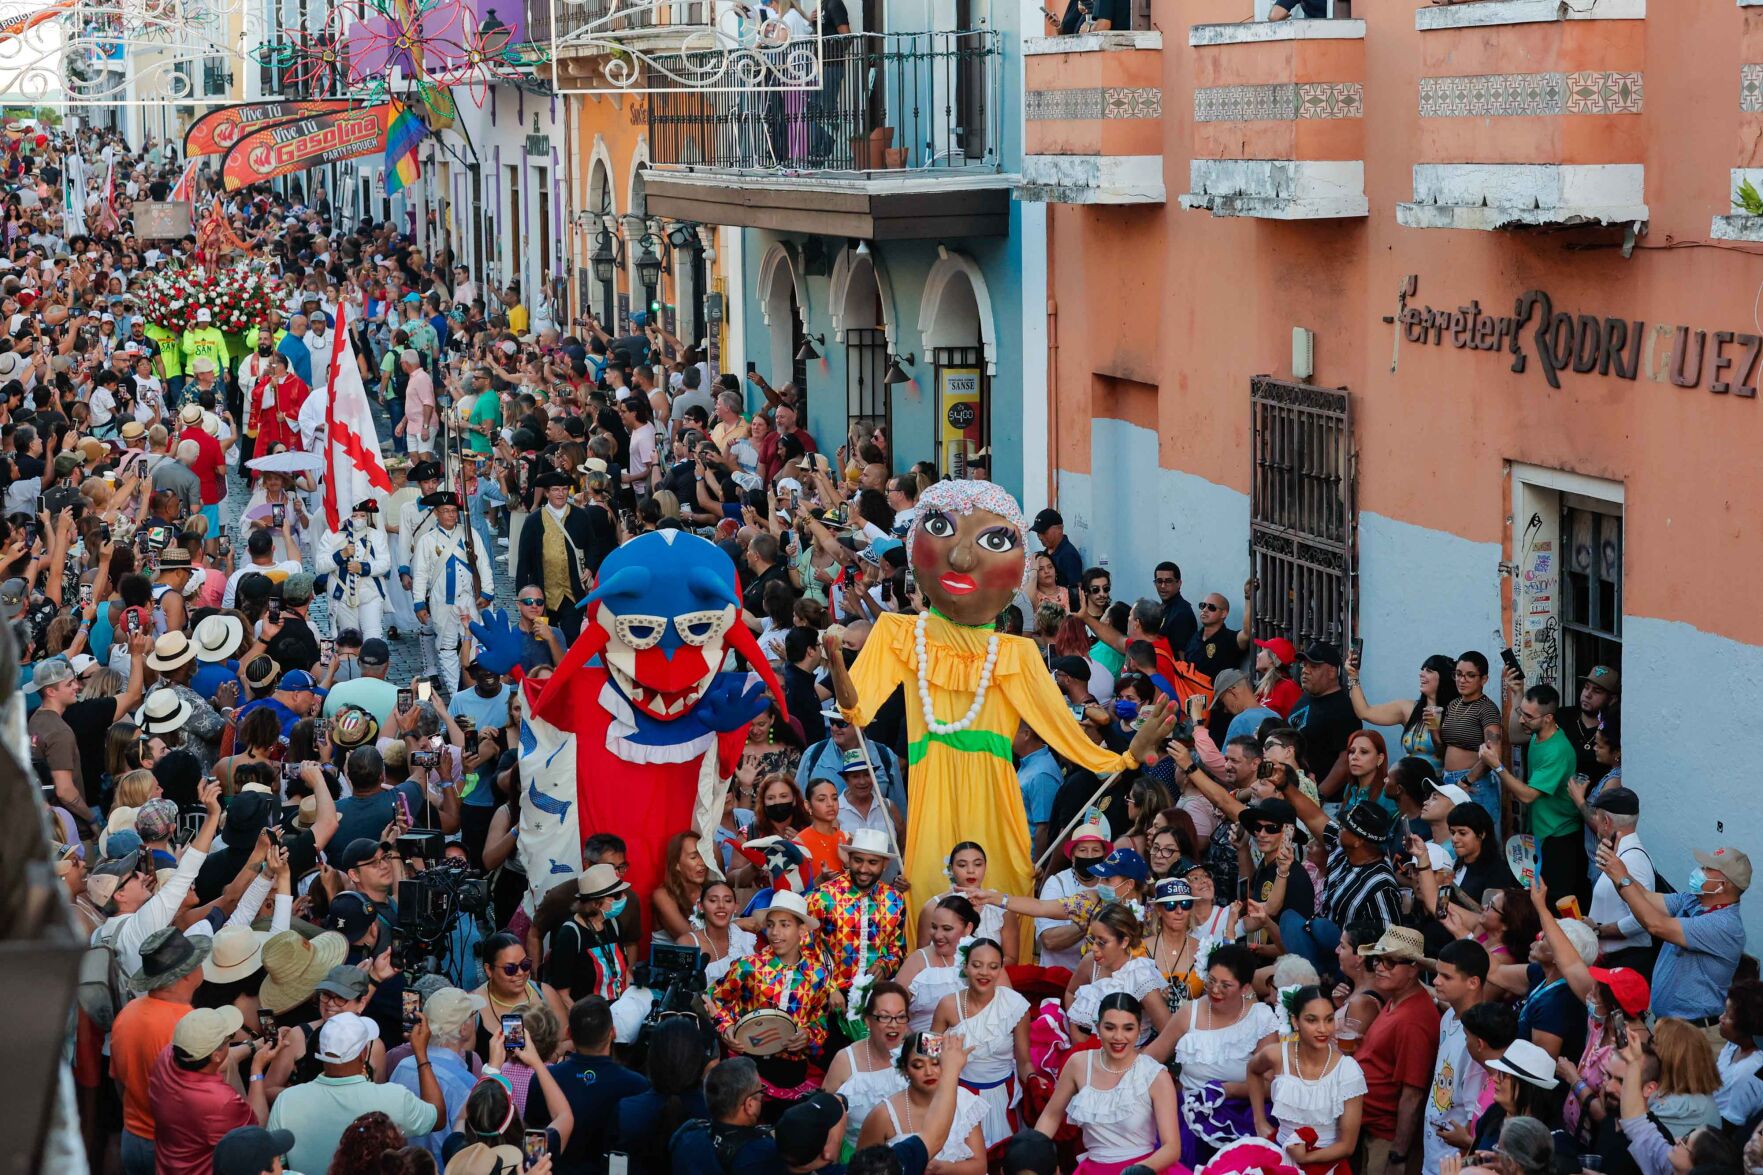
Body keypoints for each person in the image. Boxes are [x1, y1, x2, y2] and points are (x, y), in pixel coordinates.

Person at [1596, 841, 1747, 1042]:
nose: (1699, 871)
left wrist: (1622, 878)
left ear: (1722, 886)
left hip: (1693, 1034)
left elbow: (1655, 924)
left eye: (1707, 869)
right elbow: (1646, 898)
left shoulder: (1724, 925)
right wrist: (1614, 868)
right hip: (1668, 1027)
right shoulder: (1694, 901)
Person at [265, 1011, 444, 1175]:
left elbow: (272, 1166)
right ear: (363, 1053)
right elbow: (438, 1118)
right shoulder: (394, 1097)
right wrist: (421, 1053)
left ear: (320, 1051)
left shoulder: (287, 1100)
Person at [710, 890, 834, 1116]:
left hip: (793, 1075)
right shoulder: (748, 967)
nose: (775, 933)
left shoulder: (818, 976)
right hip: (748, 1071)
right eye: (771, 925)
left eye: (785, 925)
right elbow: (714, 999)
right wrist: (726, 1027)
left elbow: (820, 1025)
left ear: (802, 930)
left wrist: (808, 1035)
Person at [1033, 993, 1183, 1175]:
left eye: (1128, 1028)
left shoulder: (1155, 1075)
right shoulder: (1079, 1064)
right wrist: (1033, 1153)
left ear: (1139, 1029)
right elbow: (1051, 1116)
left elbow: (1172, 1147)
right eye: (1110, 1028)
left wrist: (1140, 1170)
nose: (1118, 1037)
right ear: (1098, 1027)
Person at [1248, 984, 1367, 1175]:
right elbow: (1253, 1070)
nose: (1322, 1029)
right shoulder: (1276, 1055)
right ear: (1295, 1022)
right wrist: (1259, 1121)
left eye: (1328, 1020)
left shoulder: (1347, 1070)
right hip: (1278, 1160)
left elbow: (1347, 1146)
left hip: (1326, 1166)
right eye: (1312, 1020)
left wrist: (1305, 1158)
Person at [148, 1005, 281, 1173]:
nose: (231, 1041)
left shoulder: (167, 1056)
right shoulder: (220, 1101)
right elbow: (256, 1131)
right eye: (230, 1038)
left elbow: (222, 1058)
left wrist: (254, 1046)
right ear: (215, 1055)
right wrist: (257, 1068)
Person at [1352, 927, 1442, 1175]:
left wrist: (1398, 1155)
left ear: (1413, 968)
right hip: (1369, 1128)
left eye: (1390, 962)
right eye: (1378, 959)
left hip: (1386, 1137)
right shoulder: (1396, 999)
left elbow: (1412, 1097)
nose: (1380, 967)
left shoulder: (1414, 1020)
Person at [1487, 680, 1584, 902]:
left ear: (1548, 718)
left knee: (1555, 900)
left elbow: (1528, 795)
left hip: (1559, 836)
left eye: (1529, 717)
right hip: (1539, 831)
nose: (1522, 720)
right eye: (1522, 712)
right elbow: (1513, 734)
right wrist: (1517, 694)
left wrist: (1498, 766)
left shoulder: (1558, 751)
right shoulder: (1537, 734)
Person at [932, 938, 1033, 1149]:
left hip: (1003, 1096)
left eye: (993, 966)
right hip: (957, 1095)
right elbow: (928, 1053)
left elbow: (1024, 1062)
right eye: (977, 965)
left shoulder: (1016, 1005)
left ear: (1000, 970)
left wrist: (1033, 1080)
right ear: (965, 967)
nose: (984, 972)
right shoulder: (947, 1005)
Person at [526, 995, 644, 1175]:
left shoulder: (543, 1080)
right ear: (613, 1032)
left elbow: (532, 1138)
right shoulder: (638, 1085)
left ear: (568, 1033)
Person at [806, 827, 907, 1018]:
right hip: (826, 999)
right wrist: (829, 987)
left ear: (884, 864)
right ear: (849, 859)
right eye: (858, 860)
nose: (863, 869)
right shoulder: (822, 897)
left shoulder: (895, 900)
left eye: (873, 862)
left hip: (874, 999)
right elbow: (803, 950)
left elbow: (897, 950)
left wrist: (884, 966)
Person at [856, 1031, 990, 1175]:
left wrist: (942, 1169)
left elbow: (980, 1165)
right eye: (918, 1066)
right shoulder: (883, 1115)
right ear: (905, 1069)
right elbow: (860, 1170)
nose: (928, 1072)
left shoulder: (964, 1102)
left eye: (936, 1063)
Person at [411, 490, 495, 695]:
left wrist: (487, 591)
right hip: (442, 603)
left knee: (473, 643)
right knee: (447, 648)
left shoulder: (470, 534)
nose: (451, 515)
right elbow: (421, 574)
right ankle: (454, 692)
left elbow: (483, 564)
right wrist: (419, 603)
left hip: (468, 599)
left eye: (453, 511)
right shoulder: (427, 540)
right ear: (437, 514)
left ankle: (473, 688)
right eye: (445, 511)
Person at [1421, 941, 1491, 1175]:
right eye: (1437, 973)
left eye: (1446, 977)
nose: (1436, 981)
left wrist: (1466, 1147)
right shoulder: (1449, 1014)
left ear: (1473, 982)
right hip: (1433, 1156)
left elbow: (1475, 1111)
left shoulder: (1479, 1039)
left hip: (1456, 1164)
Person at [823, 982, 913, 1159]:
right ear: (867, 1020)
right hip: (857, 1158)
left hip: (908, 1157)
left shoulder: (915, 1056)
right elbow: (824, 1116)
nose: (894, 1025)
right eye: (885, 1017)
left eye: (901, 1016)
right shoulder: (845, 1060)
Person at [320, 500, 393, 641]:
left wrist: (364, 568)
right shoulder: (331, 535)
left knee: (373, 638)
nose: (359, 519)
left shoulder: (376, 536)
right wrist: (340, 555)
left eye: (362, 515)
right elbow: (321, 566)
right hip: (342, 596)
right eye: (354, 515)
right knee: (349, 643)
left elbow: (385, 564)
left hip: (370, 593)